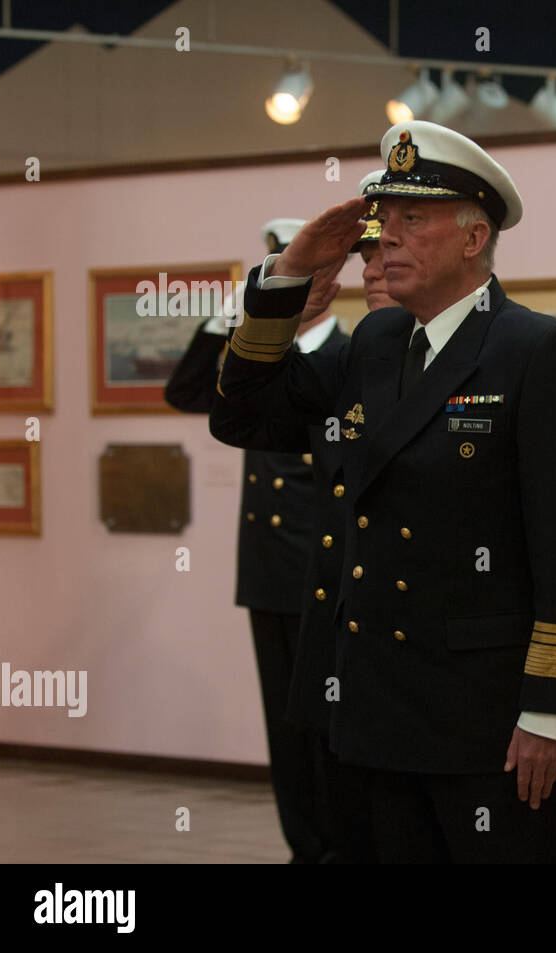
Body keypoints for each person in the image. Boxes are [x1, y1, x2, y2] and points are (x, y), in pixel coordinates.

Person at [210, 121, 556, 863]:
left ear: (473, 238)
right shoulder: (374, 344)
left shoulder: (539, 351)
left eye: (412, 219)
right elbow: (244, 415)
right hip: (370, 710)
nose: (384, 238)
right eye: (381, 219)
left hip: (485, 721)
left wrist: (553, 714)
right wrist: (287, 277)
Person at [164, 218, 350, 863]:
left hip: (323, 572)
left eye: (297, 272)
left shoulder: (346, 360)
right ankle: (303, 845)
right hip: (270, 570)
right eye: (277, 272)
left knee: (327, 724)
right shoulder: (256, 362)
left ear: (326, 280)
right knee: (286, 725)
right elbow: (184, 392)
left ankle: (335, 846)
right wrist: (228, 318)